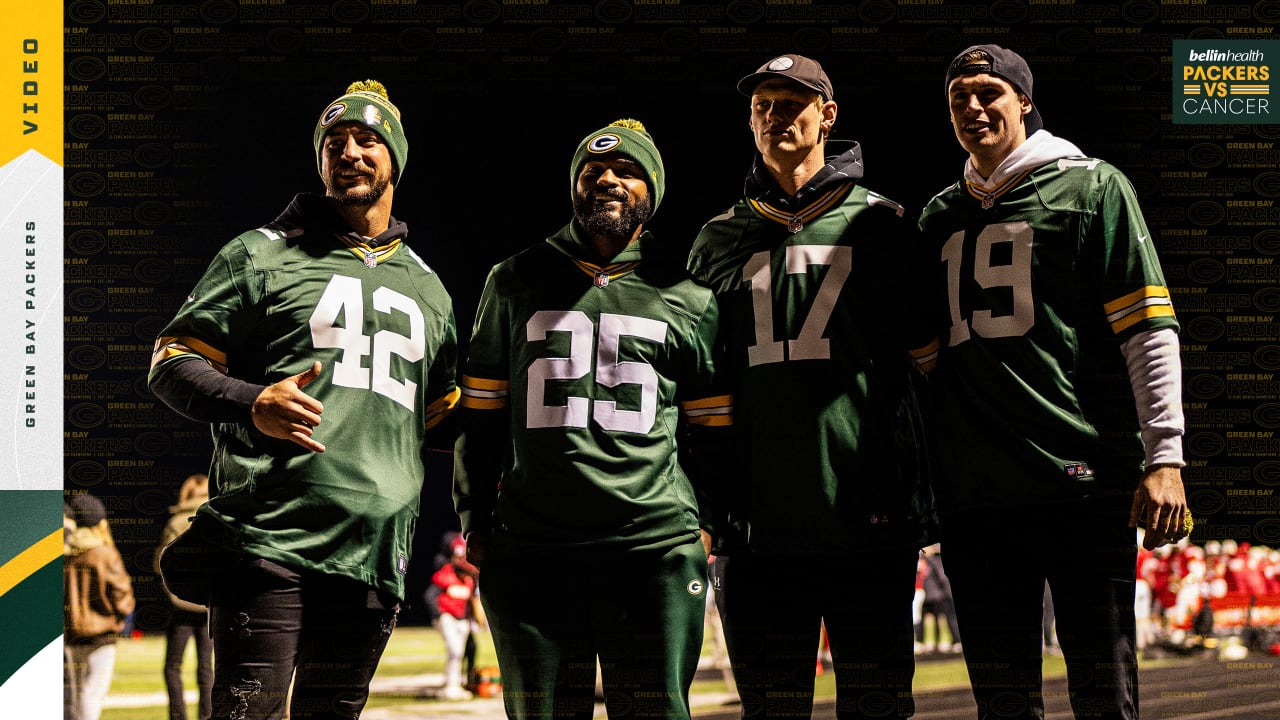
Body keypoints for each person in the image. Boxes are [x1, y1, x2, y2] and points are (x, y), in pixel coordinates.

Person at [148, 79, 459, 720]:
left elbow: (444, 417)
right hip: (270, 542)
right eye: (334, 142)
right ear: (319, 161)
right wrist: (251, 400)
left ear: (394, 157)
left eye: (367, 140)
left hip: (375, 552)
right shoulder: (260, 253)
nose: (349, 152)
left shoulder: (431, 289)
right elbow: (171, 361)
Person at [910, 44, 1189, 719]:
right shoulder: (937, 215)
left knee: (1102, 688)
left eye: (989, 93)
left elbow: (1146, 331)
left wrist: (1168, 455)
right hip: (976, 493)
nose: (973, 107)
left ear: (1025, 101)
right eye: (959, 98)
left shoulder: (1091, 187)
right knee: (1001, 701)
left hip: (1080, 480)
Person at [453, 118, 733, 720]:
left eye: (626, 170)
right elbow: (480, 421)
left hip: (654, 547)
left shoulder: (686, 290)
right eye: (592, 171)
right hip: (535, 547)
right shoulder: (514, 279)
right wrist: (476, 518)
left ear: (651, 191)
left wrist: (704, 525)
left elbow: (714, 432)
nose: (606, 178)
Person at [687, 54, 935, 719]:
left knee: (877, 706)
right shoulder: (716, 239)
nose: (776, 116)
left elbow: (931, 364)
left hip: (869, 514)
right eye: (763, 104)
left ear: (828, 115)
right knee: (772, 709)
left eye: (792, 103)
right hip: (756, 521)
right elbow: (695, 389)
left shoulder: (885, 223)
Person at [64, 493, 136, 720]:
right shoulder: (103, 553)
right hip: (101, 635)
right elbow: (122, 593)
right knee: (92, 694)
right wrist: (123, 613)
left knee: (75, 696)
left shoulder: (65, 553)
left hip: (72, 636)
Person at [155, 474, 214, 720]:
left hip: (182, 605)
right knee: (206, 666)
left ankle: (178, 715)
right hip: (209, 604)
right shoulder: (216, 520)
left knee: (173, 666)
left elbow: (162, 563)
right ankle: (206, 715)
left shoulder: (177, 521)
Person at [429, 533, 482, 701]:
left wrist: (472, 618)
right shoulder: (446, 573)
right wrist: (439, 614)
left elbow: (472, 601)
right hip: (448, 617)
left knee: (458, 653)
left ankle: (454, 685)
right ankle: (450, 687)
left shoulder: (469, 580)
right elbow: (430, 595)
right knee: (455, 651)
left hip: (462, 619)